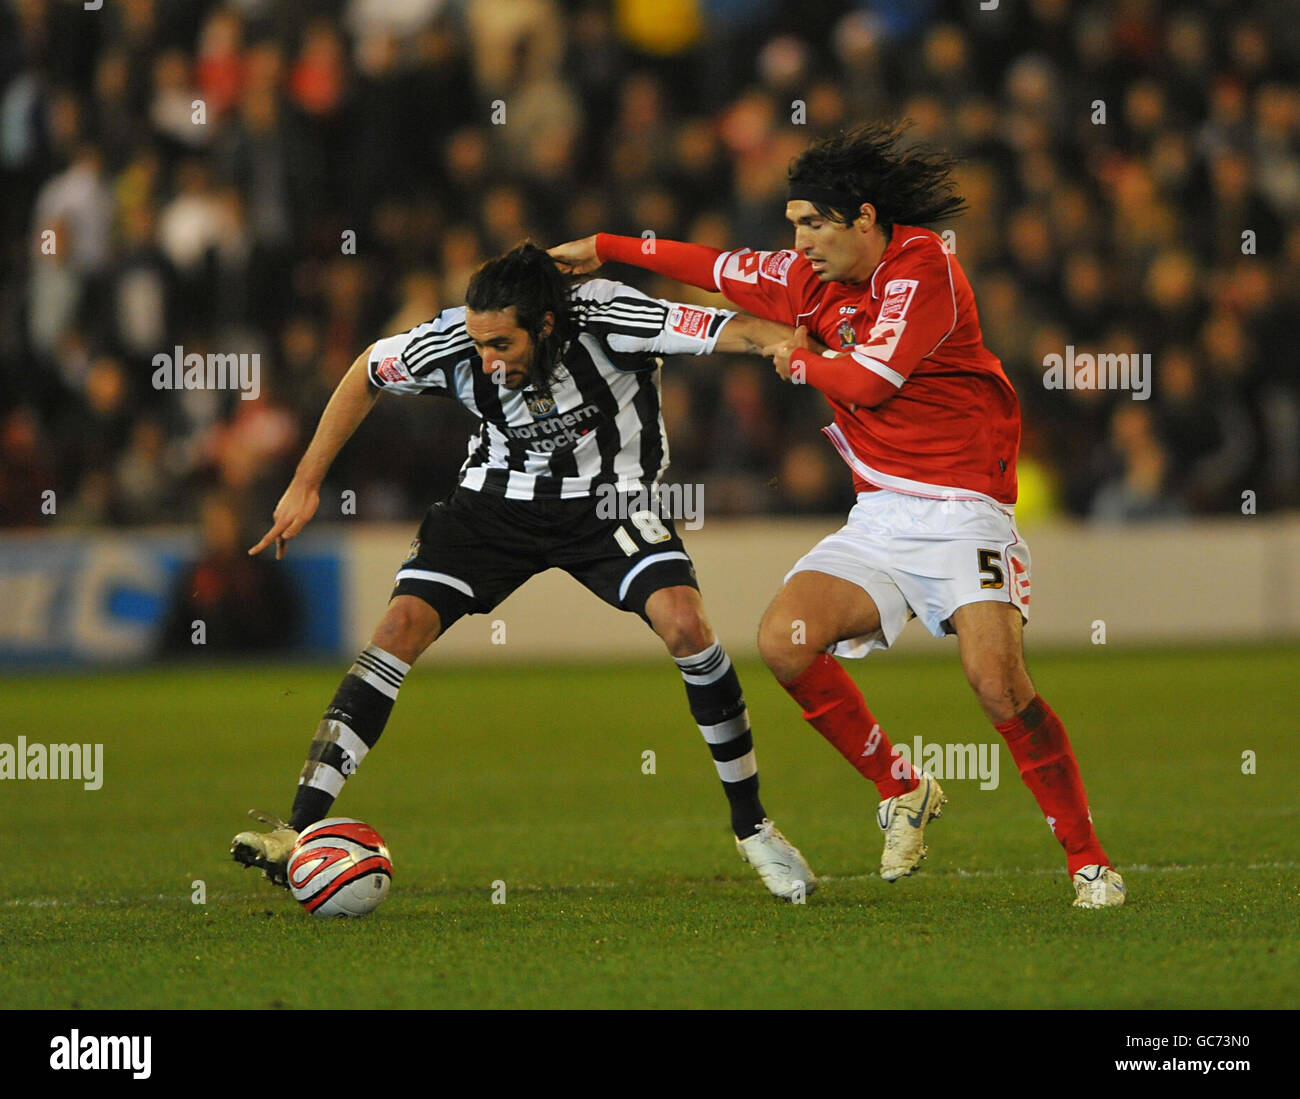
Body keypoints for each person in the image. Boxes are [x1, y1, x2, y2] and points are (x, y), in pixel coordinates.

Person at [550, 124, 1126, 908]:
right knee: (782, 642)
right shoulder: (804, 276)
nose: (798, 243)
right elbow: (709, 266)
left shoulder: (925, 268)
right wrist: (608, 245)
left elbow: (871, 381)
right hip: (883, 511)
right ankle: (902, 787)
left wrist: (798, 359)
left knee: (997, 685)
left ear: (863, 218)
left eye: (811, 224)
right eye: (791, 225)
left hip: (964, 510)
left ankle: (1088, 859)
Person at [230, 243, 816, 901]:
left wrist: (793, 344)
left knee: (685, 624)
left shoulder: (607, 314)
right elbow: (367, 369)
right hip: (495, 503)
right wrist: (306, 483)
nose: (486, 358)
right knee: (398, 625)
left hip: (609, 501)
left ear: (544, 324)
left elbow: (725, 329)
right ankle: (298, 830)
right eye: (479, 343)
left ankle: (754, 827)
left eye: (500, 343)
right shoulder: (457, 337)